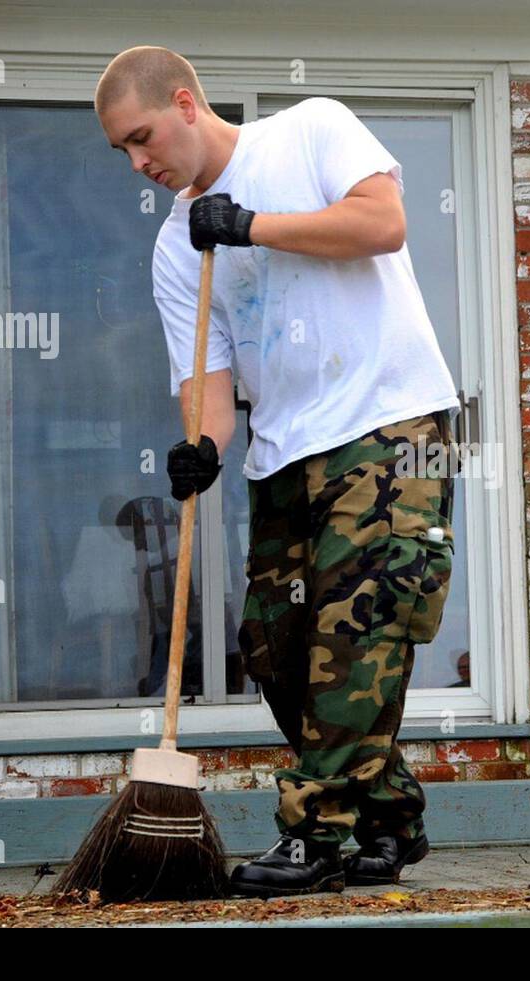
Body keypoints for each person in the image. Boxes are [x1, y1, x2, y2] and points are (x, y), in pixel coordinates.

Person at [95, 46, 460, 894]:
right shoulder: (176, 250)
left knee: (358, 629)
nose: (139, 161)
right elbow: (211, 398)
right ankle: (387, 817)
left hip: (390, 422)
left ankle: (320, 834)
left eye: (143, 136)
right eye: (123, 151)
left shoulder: (311, 131)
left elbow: (382, 224)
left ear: (186, 102)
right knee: (280, 648)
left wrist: (250, 223)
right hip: (283, 451)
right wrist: (203, 451)